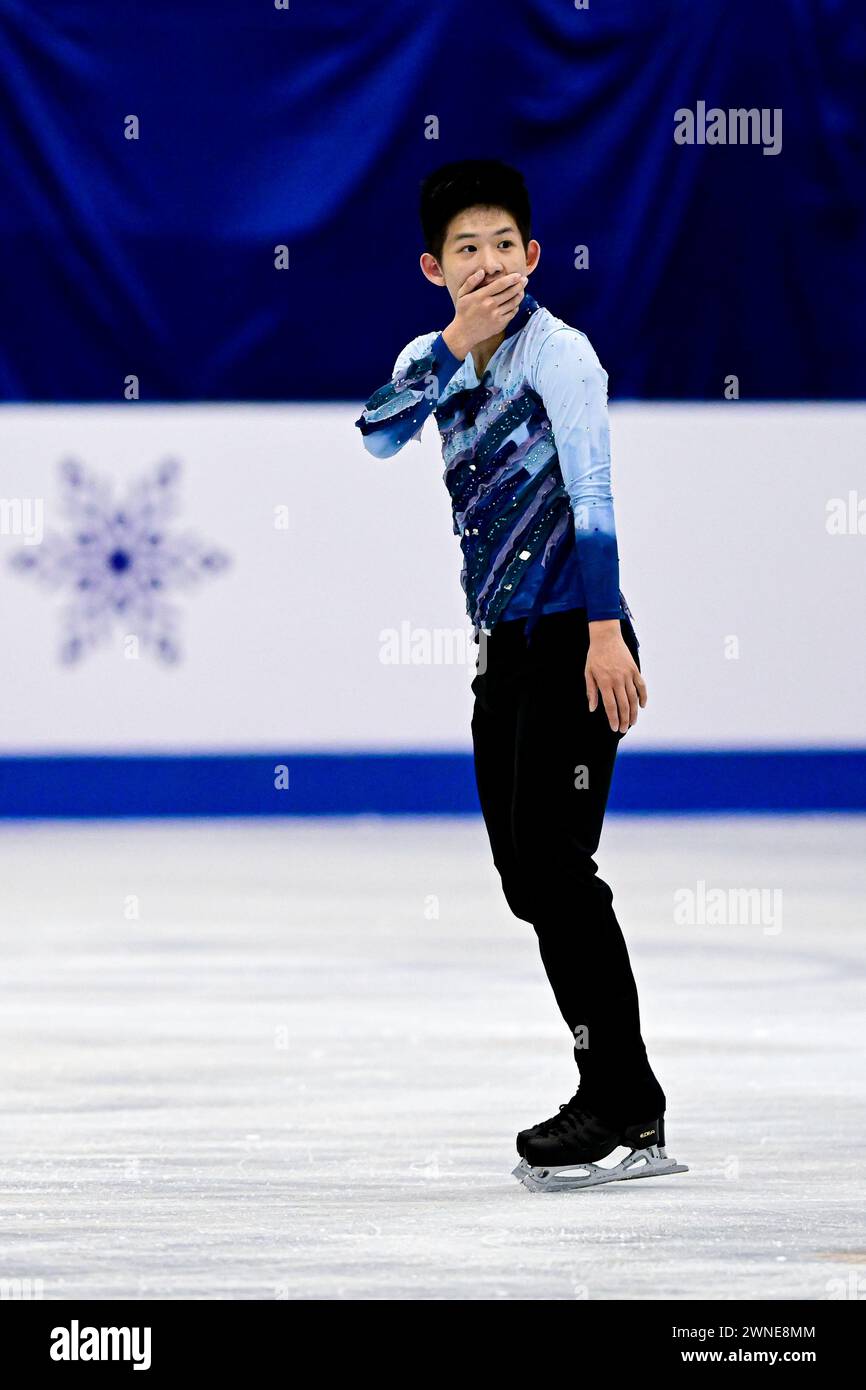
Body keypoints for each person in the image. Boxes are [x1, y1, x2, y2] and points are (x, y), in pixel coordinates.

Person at [355, 158, 685, 1189]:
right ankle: (616, 1093)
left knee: (554, 871)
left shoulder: (562, 357)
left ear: (532, 255)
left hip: (573, 636)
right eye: (466, 249)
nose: (489, 262)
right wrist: (453, 345)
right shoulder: (431, 357)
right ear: (432, 267)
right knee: (526, 880)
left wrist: (603, 630)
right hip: (501, 647)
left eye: (505, 244)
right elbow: (374, 434)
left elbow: (591, 495)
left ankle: (621, 1102)